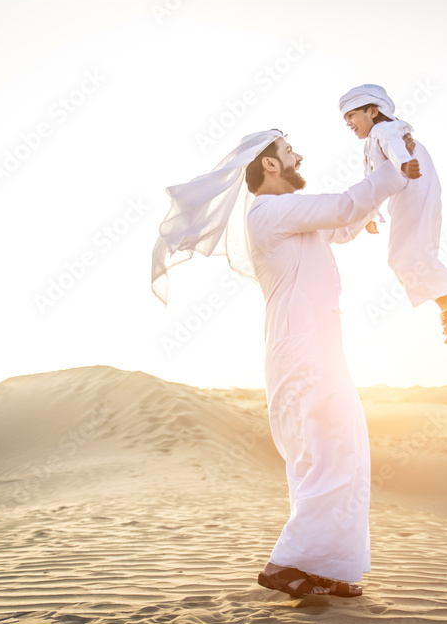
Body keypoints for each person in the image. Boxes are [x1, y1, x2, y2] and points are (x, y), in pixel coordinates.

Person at [151, 129, 418, 599]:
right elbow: (340, 208)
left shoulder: (285, 215)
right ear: (270, 165)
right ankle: (285, 563)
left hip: (319, 352)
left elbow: (342, 224)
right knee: (328, 455)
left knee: (339, 454)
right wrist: (392, 171)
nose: (298, 156)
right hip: (303, 353)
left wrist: (373, 193)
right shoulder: (271, 212)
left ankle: (327, 566)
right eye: (289, 151)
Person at [339, 84, 447, 343]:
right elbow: (373, 179)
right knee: (411, 255)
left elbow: (395, 148)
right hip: (412, 190)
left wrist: (404, 163)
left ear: (372, 111)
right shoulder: (376, 137)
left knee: (402, 257)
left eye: (351, 116)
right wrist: (371, 215)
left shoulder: (385, 129)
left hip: (412, 187)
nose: (348, 123)